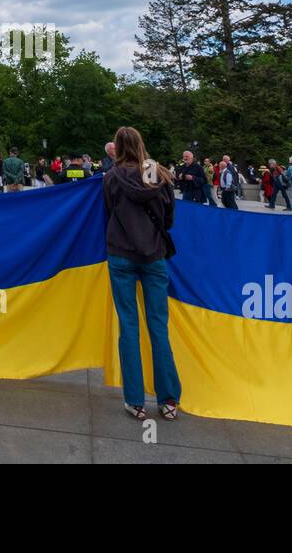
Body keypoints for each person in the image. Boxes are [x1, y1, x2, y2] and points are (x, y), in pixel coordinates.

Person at [102, 126, 182, 422]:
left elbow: (108, 213)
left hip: (121, 254)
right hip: (154, 255)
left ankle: (134, 400)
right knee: (158, 326)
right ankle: (168, 399)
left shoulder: (111, 178)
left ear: (117, 148)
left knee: (129, 327)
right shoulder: (157, 173)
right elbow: (169, 218)